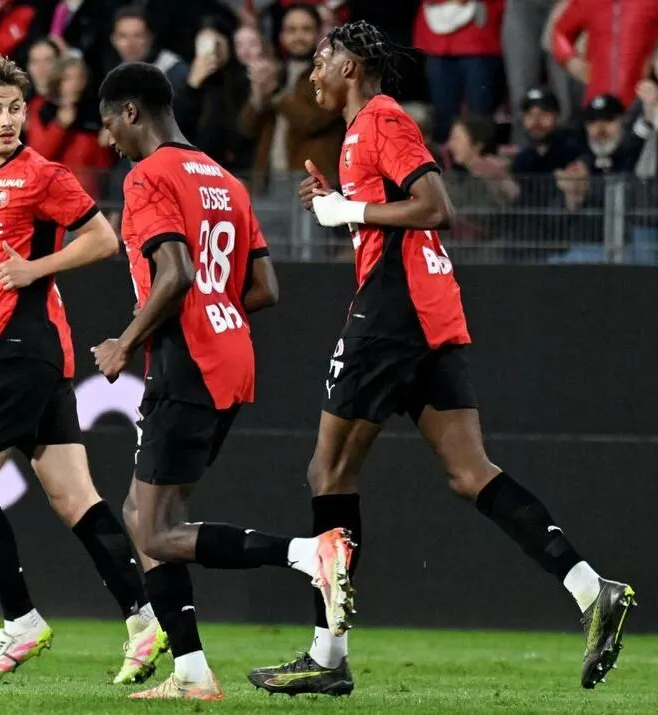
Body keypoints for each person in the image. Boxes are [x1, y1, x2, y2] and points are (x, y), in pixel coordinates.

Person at [246, 20, 637, 697]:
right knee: (469, 471)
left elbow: (435, 204)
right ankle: (589, 586)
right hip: (428, 308)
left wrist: (352, 212)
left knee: (327, 470)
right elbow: (389, 206)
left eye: (322, 55)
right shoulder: (358, 131)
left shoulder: (381, 118)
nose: (312, 68)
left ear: (354, 63)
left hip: (395, 309)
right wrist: (342, 206)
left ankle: (328, 654)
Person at [94, 61, 354, 701]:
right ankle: (190, 673)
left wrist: (124, 342)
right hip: (231, 354)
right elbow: (265, 287)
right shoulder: (225, 180)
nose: (108, 142)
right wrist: (216, 304)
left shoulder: (148, 176)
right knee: (145, 512)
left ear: (132, 112)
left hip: (186, 359)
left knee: (152, 530)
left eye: (109, 125)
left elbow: (176, 273)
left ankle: (307, 555)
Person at [0, 55, 163, 685]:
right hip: (29, 352)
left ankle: (20, 622)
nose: (8, 119)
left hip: (22, 346)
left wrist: (34, 270)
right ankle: (145, 618)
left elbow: (105, 239)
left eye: (17, 108)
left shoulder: (41, 175)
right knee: (75, 498)